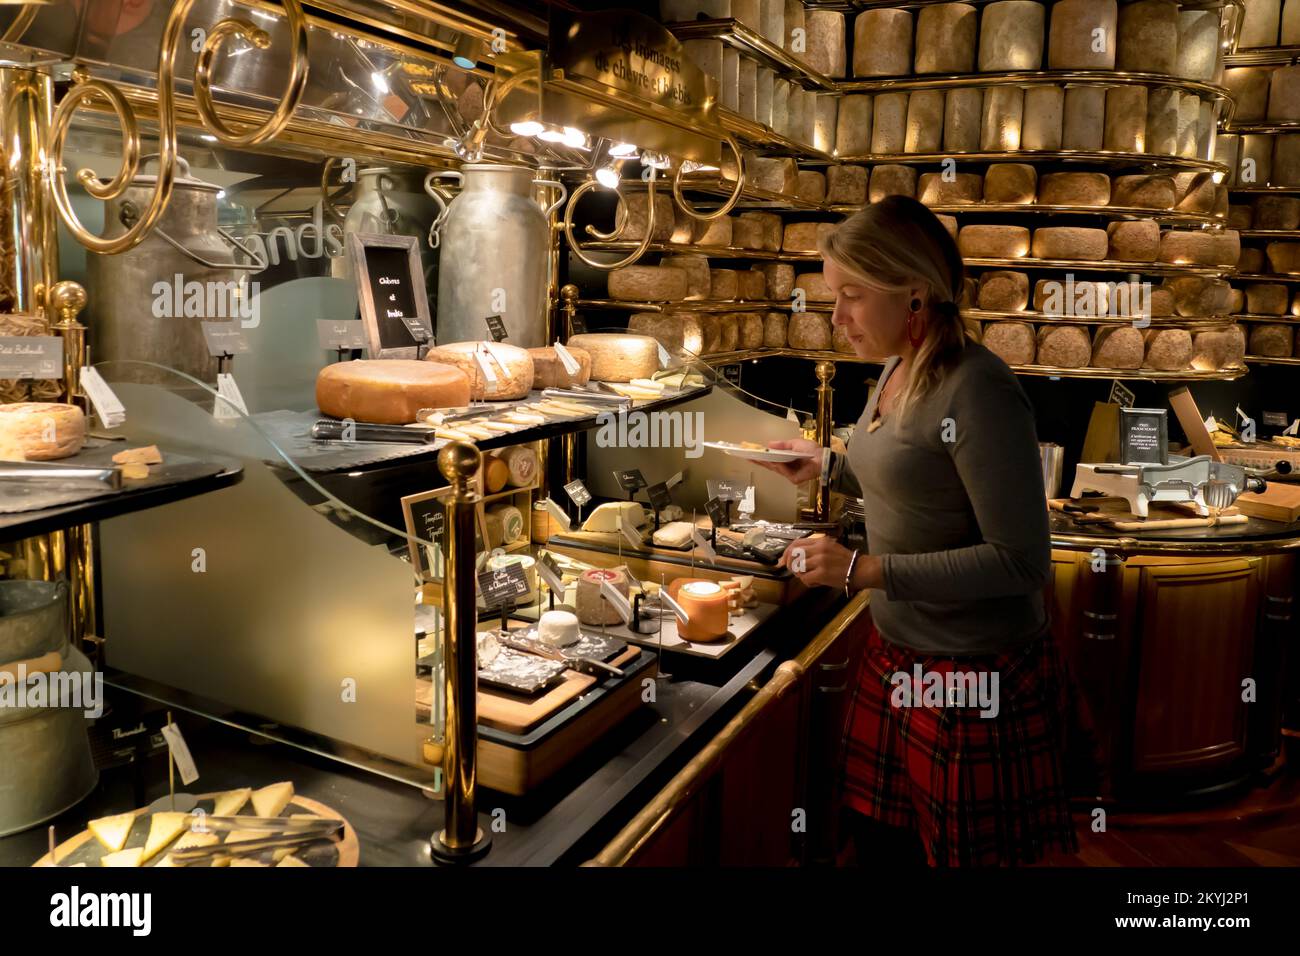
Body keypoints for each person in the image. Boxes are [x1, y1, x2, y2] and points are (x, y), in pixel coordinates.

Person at [756, 196, 1078, 867]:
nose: (836, 316)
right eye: (831, 295)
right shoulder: (898, 369)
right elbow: (913, 477)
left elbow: (1022, 562)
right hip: (899, 656)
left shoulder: (977, 390)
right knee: (881, 848)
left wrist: (864, 570)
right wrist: (827, 463)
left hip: (972, 675)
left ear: (916, 295)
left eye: (852, 296)